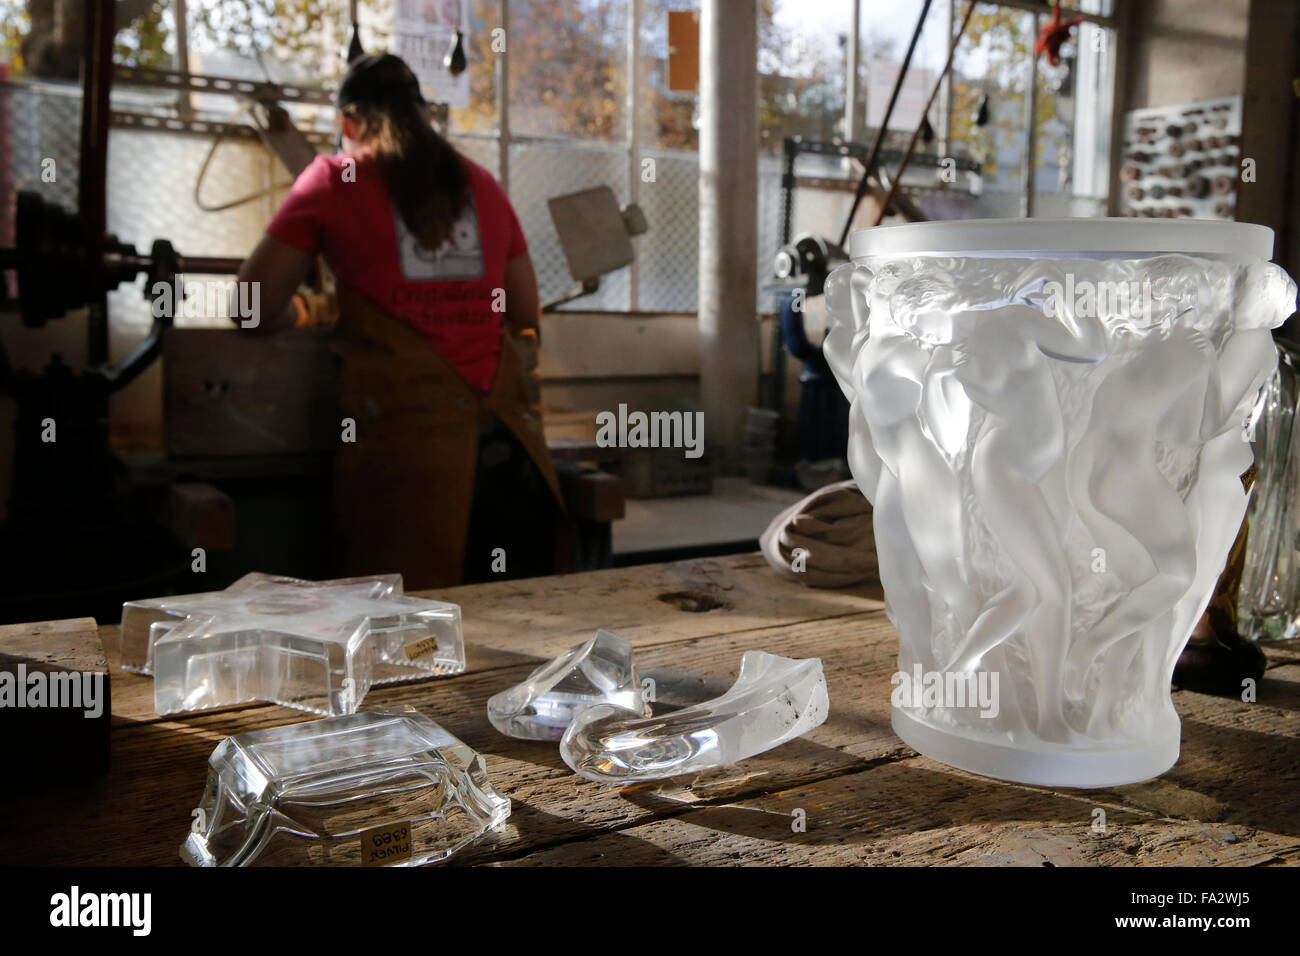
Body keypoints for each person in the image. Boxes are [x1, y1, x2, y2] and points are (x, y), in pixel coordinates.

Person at [236, 53, 566, 588]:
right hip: (508, 451)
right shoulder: (482, 184)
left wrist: (306, 310)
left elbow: (248, 308)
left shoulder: (334, 177)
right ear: (422, 113)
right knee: (510, 628)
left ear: (349, 123)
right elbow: (526, 319)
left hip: (408, 463)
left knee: (408, 639)